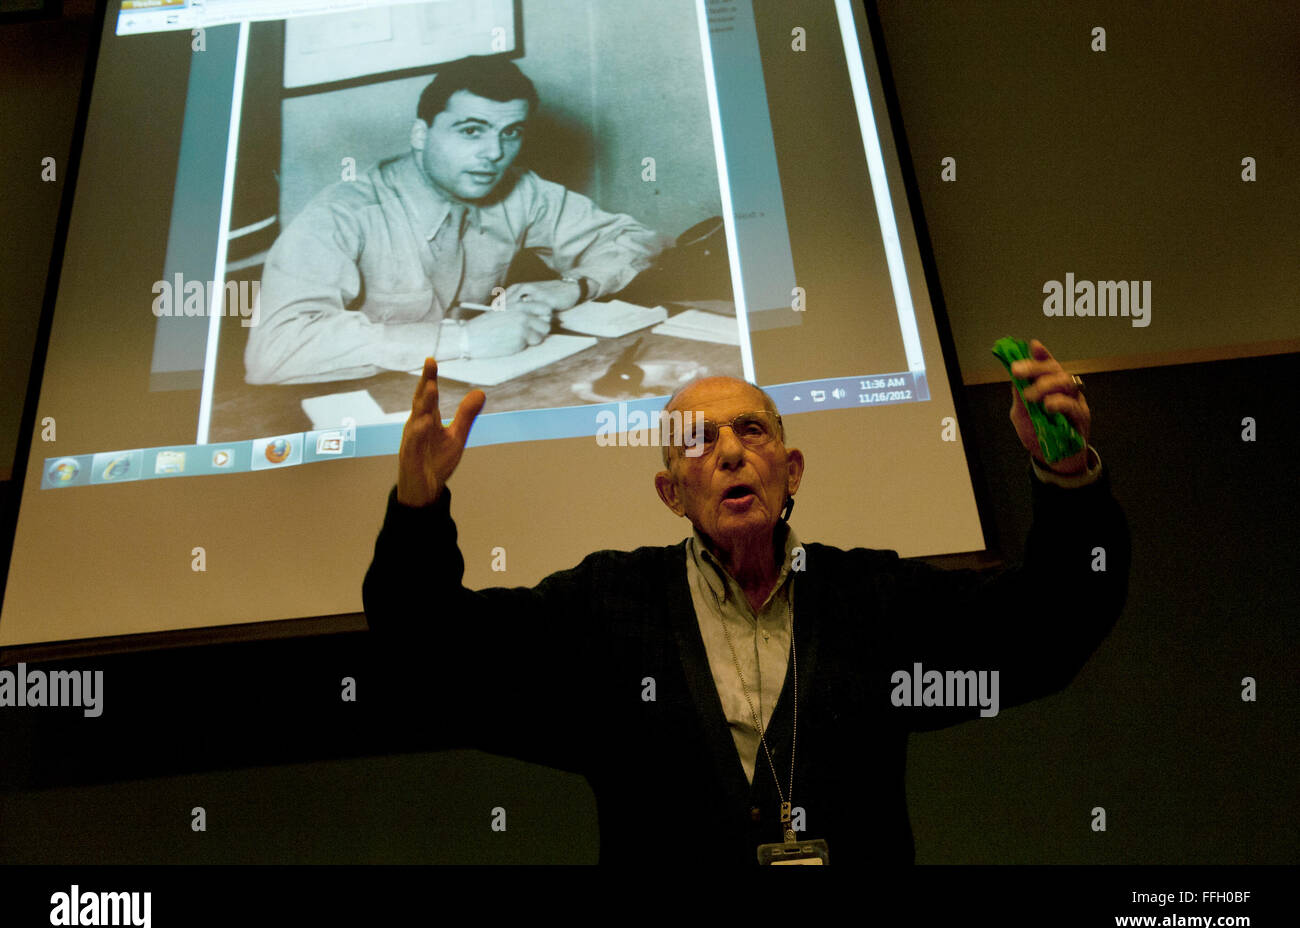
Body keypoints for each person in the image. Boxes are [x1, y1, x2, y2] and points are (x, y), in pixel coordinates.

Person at [362, 340, 1131, 864]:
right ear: (671, 492)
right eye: (699, 440)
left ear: (790, 470)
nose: (730, 450)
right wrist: (418, 508)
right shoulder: (607, 607)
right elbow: (432, 653)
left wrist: (1066, 474)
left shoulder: (871, 598)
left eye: (753, 431)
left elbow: (1046, 629)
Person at [245, 55, 664, 385]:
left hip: (478, 392)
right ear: (421, 135)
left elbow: (637, 240)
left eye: (511, 132)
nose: (494, 153)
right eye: (470, 131)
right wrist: (462, 340)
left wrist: (573, 286)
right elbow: (273, 352)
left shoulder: (519, 190)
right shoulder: (343, 215)